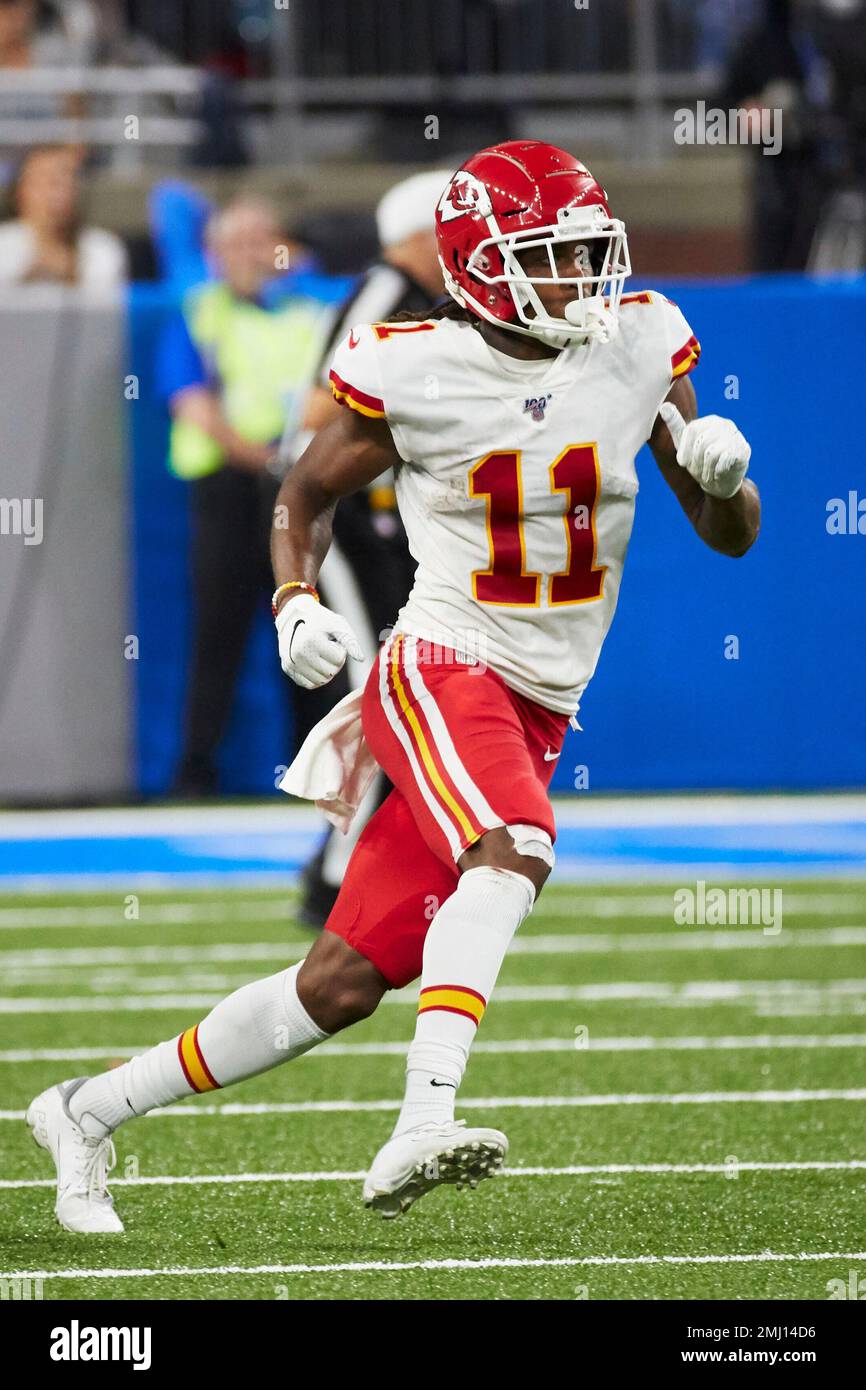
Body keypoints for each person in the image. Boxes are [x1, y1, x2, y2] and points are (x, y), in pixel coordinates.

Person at [26, 141, 760, 1232]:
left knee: (337, 984)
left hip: (541, 699)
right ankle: (422, 1118)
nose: (581, 279)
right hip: (442, 661)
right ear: (480, 266)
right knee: (512, 848)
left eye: (586, 252)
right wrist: (291, 598)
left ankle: (85, 1111)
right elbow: (304, 488)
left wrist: (725, 481)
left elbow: (728, 538)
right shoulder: (413, 365)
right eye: (552, 258)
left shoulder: (638, 341)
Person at [294, 169, 453, 926]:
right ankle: (330, 877)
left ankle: (338, 867)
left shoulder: (414, 297)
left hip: (376, 519)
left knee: (398, 685)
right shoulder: (390, 287)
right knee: (380, 693)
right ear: (424, 236)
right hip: (341, 512)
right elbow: (319, 405)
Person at [160, 195, 338, 797]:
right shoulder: (200, 313)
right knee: (220, 631)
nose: (250, 255)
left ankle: (316, 770)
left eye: (262, 240)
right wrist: (268, 460)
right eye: (234, 244)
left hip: (303, 483)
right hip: (233, 491)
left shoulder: (311, 311)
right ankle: (196, 770)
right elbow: (192, 403)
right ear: (213, 254)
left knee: (308, 621)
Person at [0, 144, 127, 287]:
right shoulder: (3, 245)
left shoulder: (104, 249)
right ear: (21, 191)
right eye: (48, 182)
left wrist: (71, 275)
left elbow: (109, 304)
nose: (59, 194)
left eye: (68, 181)